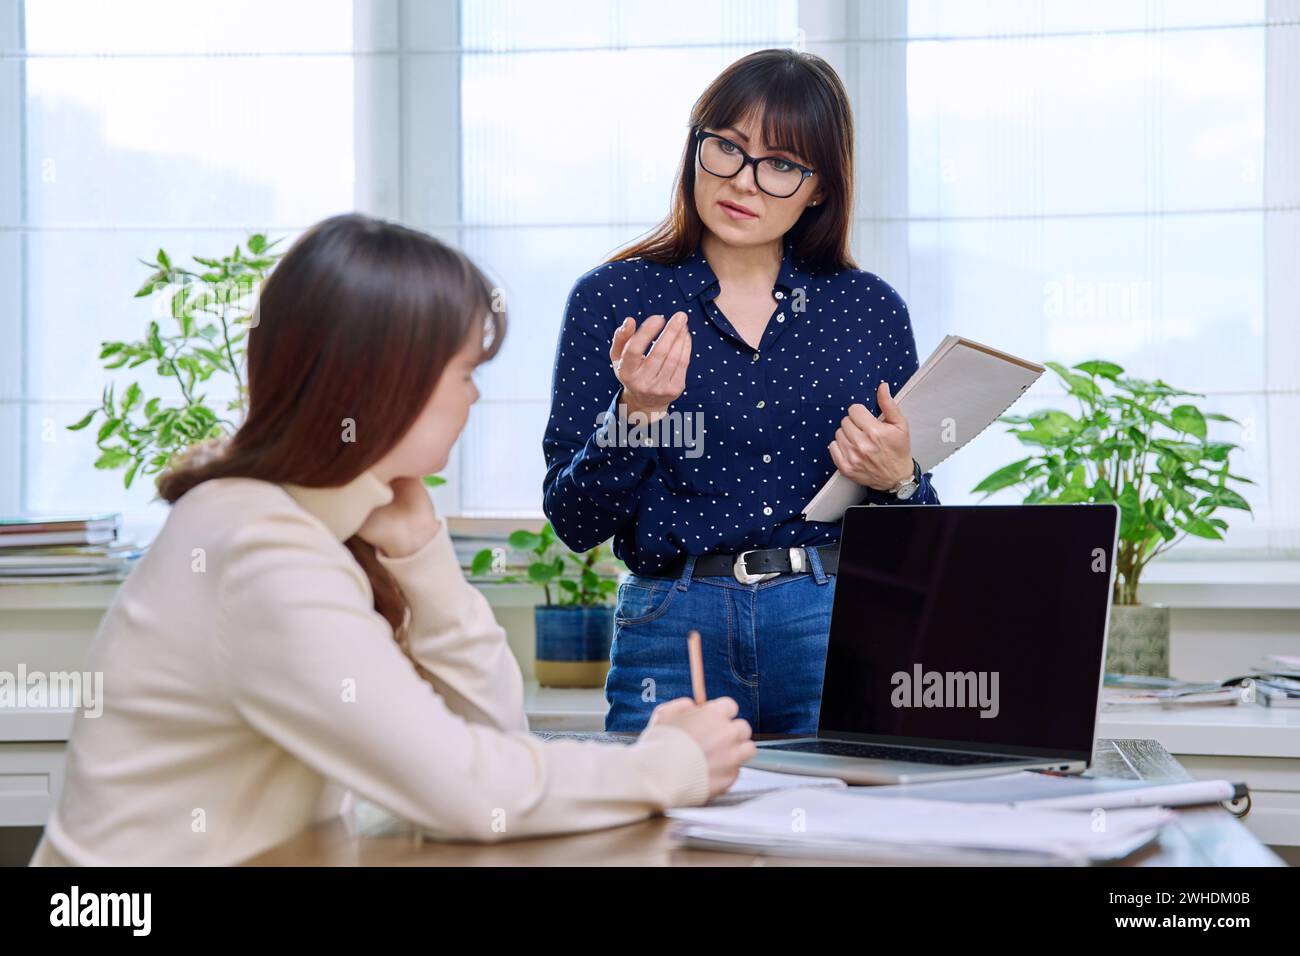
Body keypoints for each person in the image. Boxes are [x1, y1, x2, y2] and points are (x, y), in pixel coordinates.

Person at [31, 213, 753, 866]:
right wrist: (670, 763)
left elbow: (494, 737)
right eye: (465, 371)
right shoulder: (258, 545)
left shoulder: (319, 519)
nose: (475, 396)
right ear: (382, 381)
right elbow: (464, 792)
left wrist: (421, 553)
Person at [543, 50, 940, 734]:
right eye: (726, 148)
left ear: (820, 187)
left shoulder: (869, 310)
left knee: (843, 833)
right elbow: (574, 522)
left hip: (832, 617)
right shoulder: (613, 300)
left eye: (781, 164)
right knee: (658, 828)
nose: (744, 182)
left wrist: (899, 478)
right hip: (672, 626)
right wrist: (634, 417)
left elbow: (919, 543)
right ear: (696, 147)